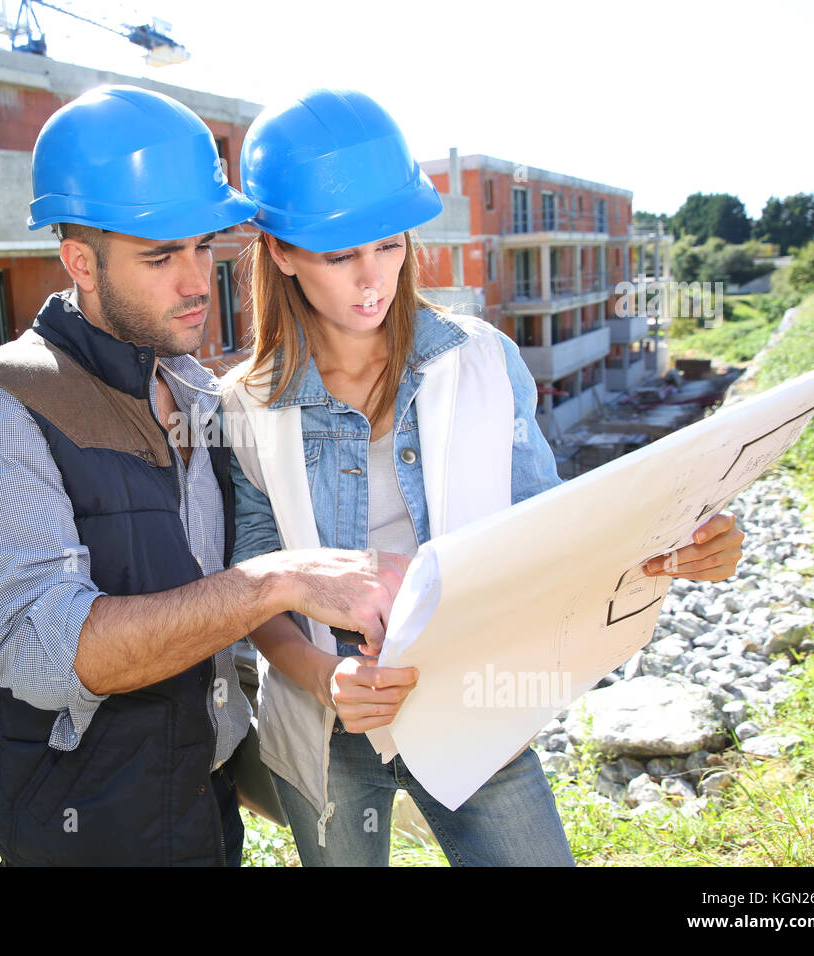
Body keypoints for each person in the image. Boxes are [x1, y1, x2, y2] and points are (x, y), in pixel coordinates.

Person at [220, 88, 746, 866]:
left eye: (389, 245)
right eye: (340, 256)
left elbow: (549, 529)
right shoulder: (243, 405)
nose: (374, 280)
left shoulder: (483, 360)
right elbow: (257, 584)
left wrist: (674, 544)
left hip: (473, 706)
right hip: (325, 721)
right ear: (282, 252)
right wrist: (323, 676)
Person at [0, 85, 409, 867]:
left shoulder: (195, 394)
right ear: (79, 260)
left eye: (202, 247)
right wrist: (275, 579)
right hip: (82, 833)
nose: (193, 280)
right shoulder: (3, 409)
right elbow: (45, 657)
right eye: (159, 255)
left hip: (201, 809)